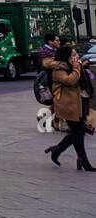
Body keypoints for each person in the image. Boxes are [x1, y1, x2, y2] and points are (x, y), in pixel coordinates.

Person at [44, 43, 94, 172]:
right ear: (66, 57)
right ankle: (83, 162)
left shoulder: (72, 66)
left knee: (79, 131)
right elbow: (70, 81)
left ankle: (57, 150)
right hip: (67, 105)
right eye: (73, 55)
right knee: (78, 132)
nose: (76, 56)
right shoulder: (58, 69)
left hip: (78, 104)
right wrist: (77, 67)